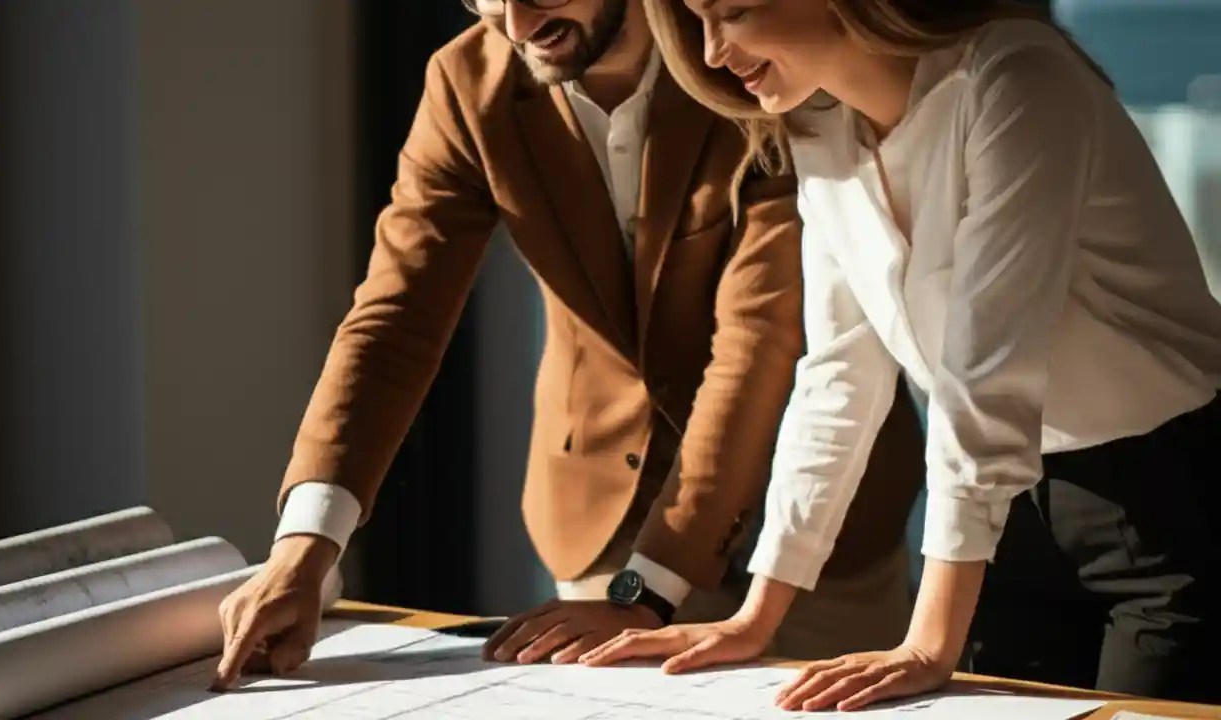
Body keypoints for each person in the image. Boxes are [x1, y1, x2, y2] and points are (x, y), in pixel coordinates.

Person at [209, 0, 927, 691]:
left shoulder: (746, 50)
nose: (516, 24)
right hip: (604, 515)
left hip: (817, 522)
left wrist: (649, 587)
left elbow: (763, 332)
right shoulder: (468, 83)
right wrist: (307, 544)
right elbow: (397, 319)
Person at [581, 0, 1221, 709]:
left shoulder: (1018, 78)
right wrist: (756, 616)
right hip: (1002, 519)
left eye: (732, 11)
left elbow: (987, 377)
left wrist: (928, 641)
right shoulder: (821, 128)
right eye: (697, 20)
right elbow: (836, 379)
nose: (711, 54)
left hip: (1168, 503)